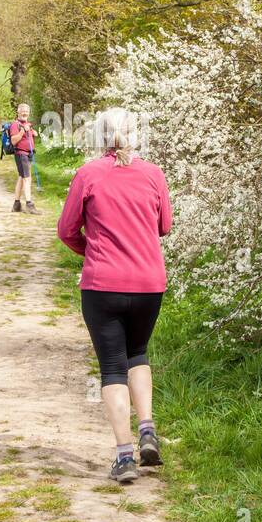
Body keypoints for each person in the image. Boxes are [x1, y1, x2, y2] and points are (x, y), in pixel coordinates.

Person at [57, 108, 172, 482]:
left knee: (111, 368)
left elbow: (67, 229)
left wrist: (91, 250)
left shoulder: (88, 174)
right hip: (148, 283)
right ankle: (148, 430)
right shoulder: (153, 174)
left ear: (100, 136)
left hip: (102, 284)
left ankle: (124, 457)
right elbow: (164, 226)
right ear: (135, 135)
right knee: (138, 354)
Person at [8, 103, 39, 214]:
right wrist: (22, 131)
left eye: (27, 111)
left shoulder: (27, 124)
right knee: (27, 178)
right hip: (21, 154)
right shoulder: (15, 125)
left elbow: (28, 136)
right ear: (18, 112)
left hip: (28, 154)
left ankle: (16, 205)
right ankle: (29, 204)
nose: (25, 113)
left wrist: (33, 133)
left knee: (22, 177)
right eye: (23, 111)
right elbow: (13, 140)